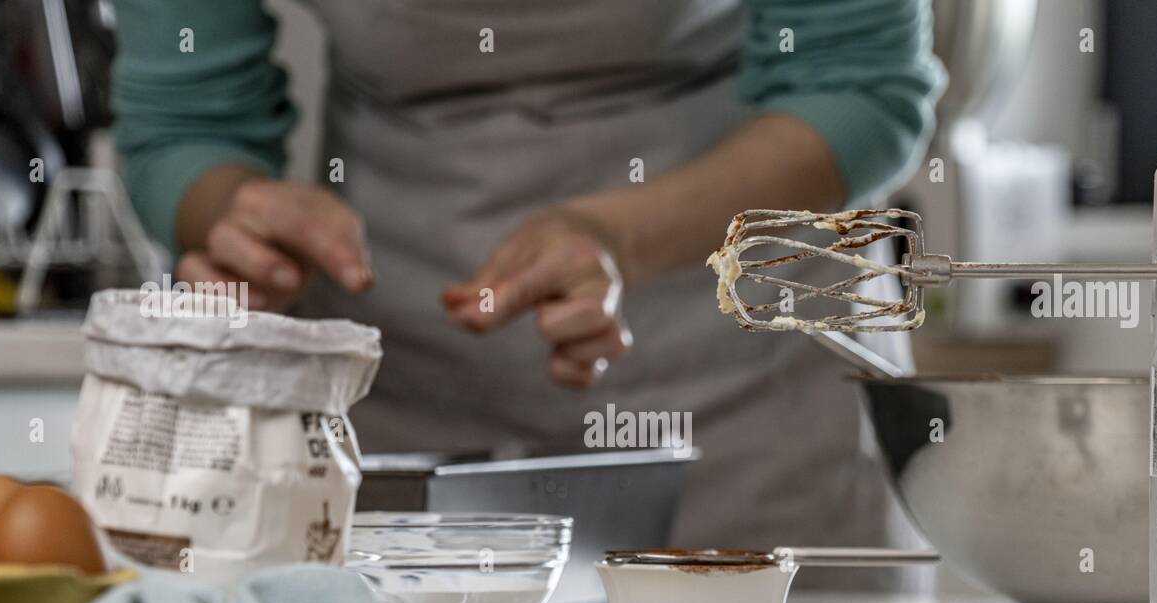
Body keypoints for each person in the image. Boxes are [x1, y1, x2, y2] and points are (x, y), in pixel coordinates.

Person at [112, 0, 942, 552]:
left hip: (748, 393)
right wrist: (240, 219)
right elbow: (185, 120)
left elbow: (858, 87)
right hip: (394, 403)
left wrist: (617, 237)